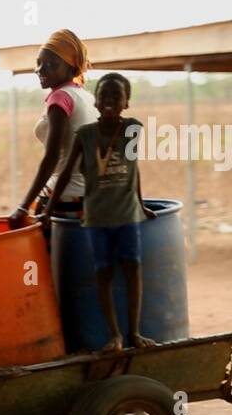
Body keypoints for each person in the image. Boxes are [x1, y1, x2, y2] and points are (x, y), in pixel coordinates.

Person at [43, 73, 157, 351]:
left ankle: (135, 333)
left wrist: (140, 205)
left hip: (128, 215)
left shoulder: (133, 129)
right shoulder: (86, 135)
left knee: (133, 270)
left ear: (126, 102)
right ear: (95, 101)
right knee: (103, 273)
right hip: (97, 217)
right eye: (104, 95)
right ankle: (115, 335)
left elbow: (133, 171)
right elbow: (66, 171)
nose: (109, 101)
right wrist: (47, 210)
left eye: (115, 96)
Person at [9, 29, 98, 235]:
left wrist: (23, 206)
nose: (41, 69)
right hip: (89, 195)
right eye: (39, 62)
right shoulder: (84, 96)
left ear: (71, 68)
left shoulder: (60, 99)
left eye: (52, 64)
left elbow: (52, 158)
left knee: (53, 262)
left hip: (64, 196)